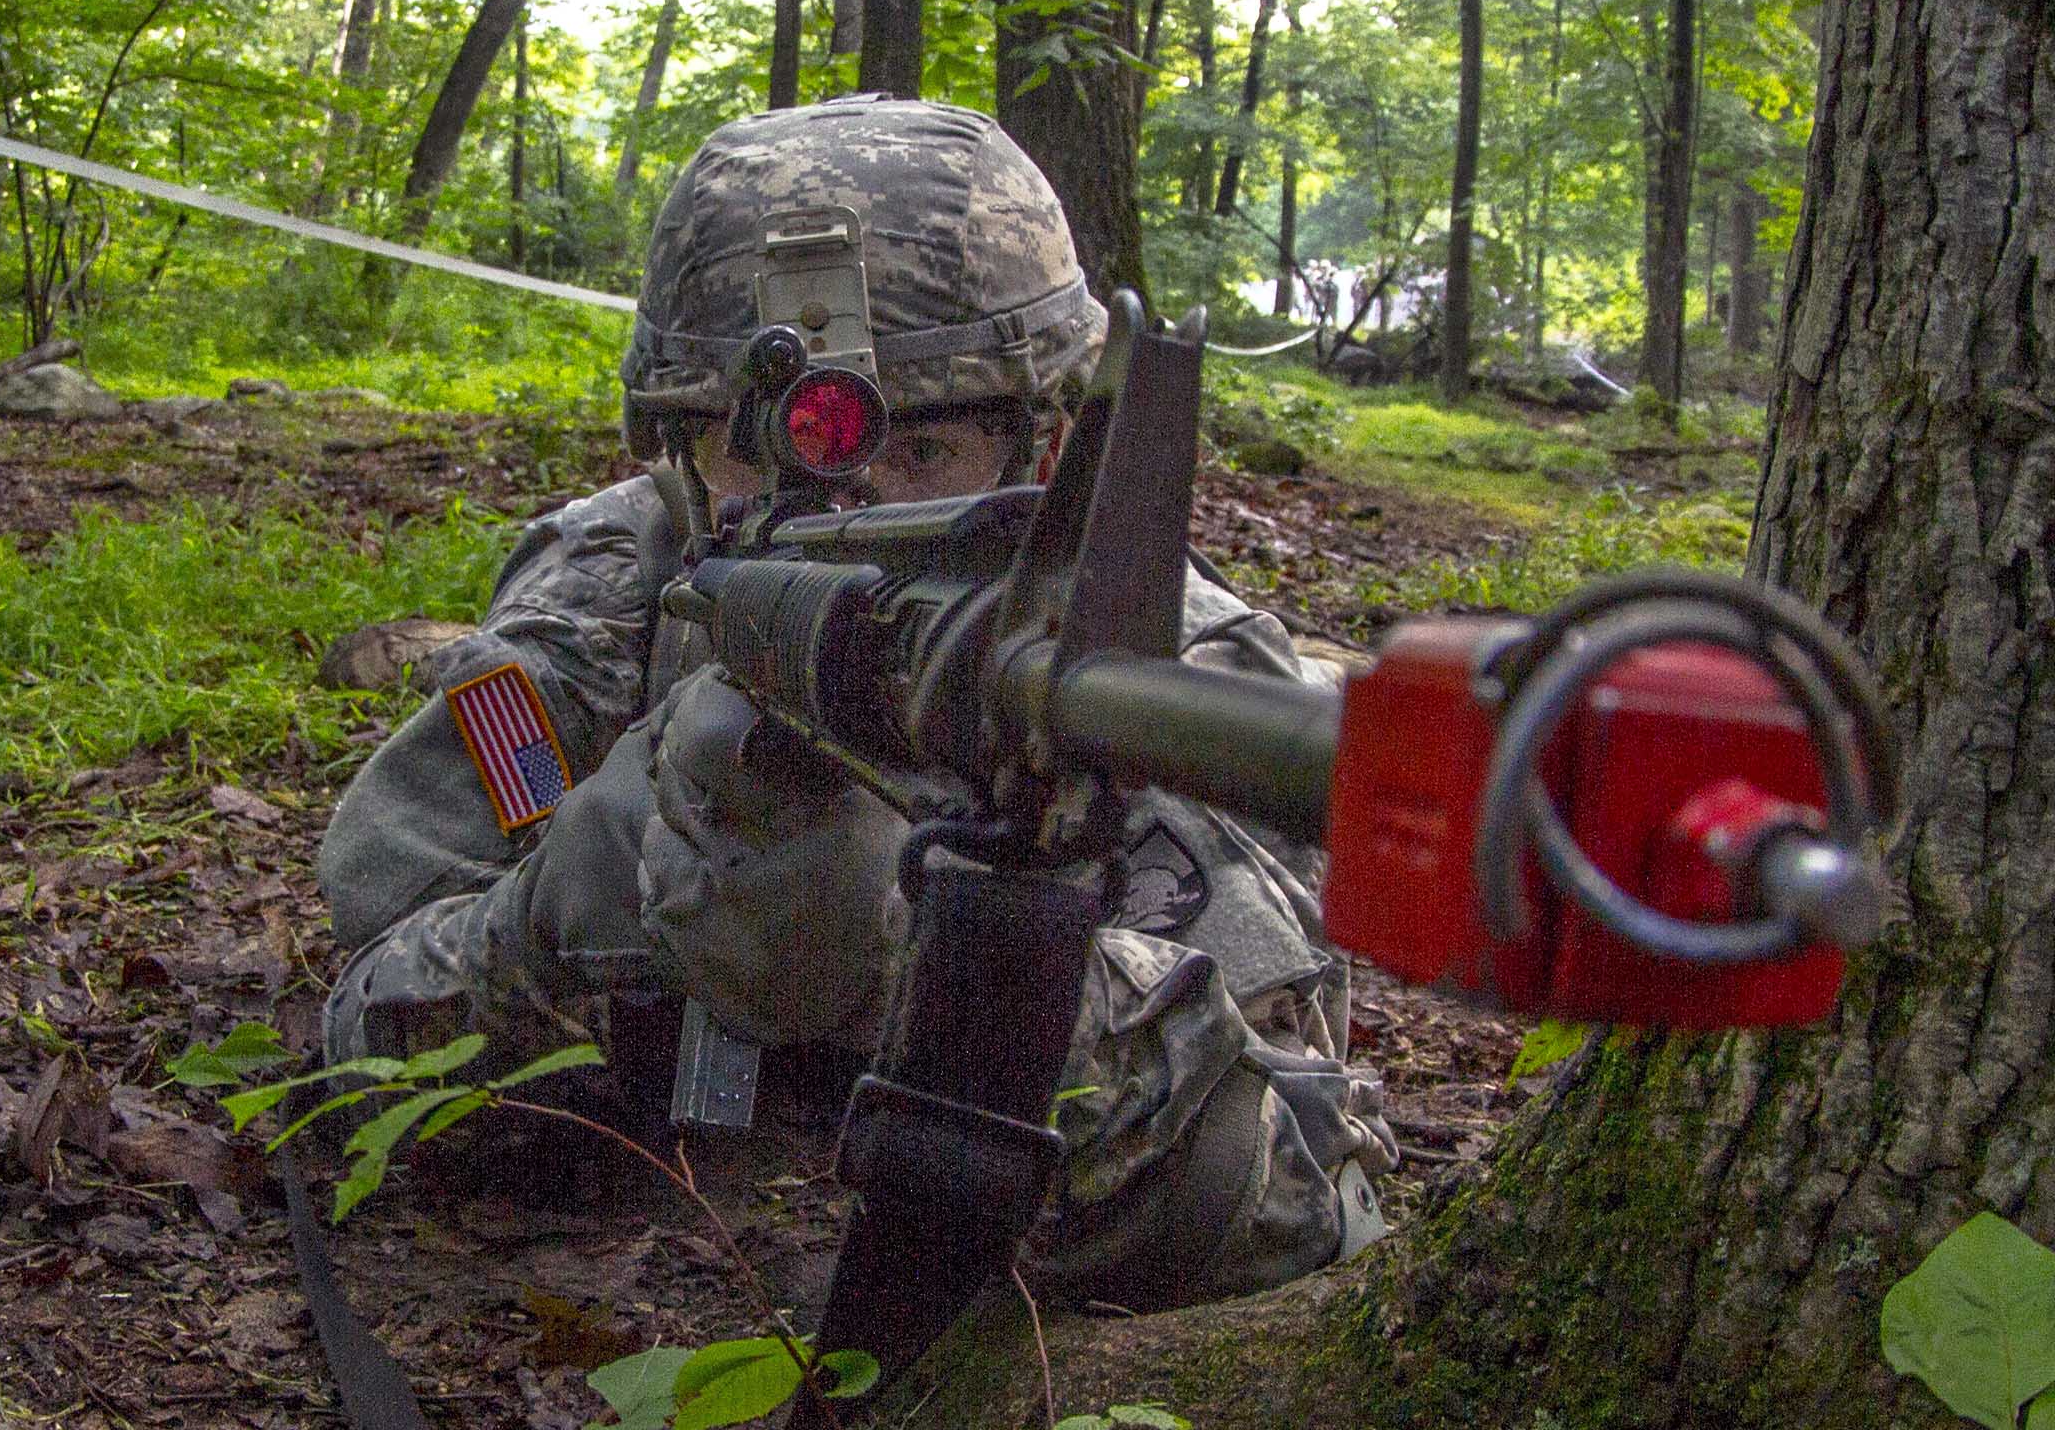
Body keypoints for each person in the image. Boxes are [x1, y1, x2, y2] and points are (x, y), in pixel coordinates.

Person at [315, 95, 1394, 1313]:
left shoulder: (1142, 677)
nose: (832, 518)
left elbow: (1301, 1195)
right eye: (757, 452)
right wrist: (559, 920)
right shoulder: (615, 591)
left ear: (1045, 448)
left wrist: (933, 975)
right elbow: (355, 1034)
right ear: (671, 452)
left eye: (920, 453)